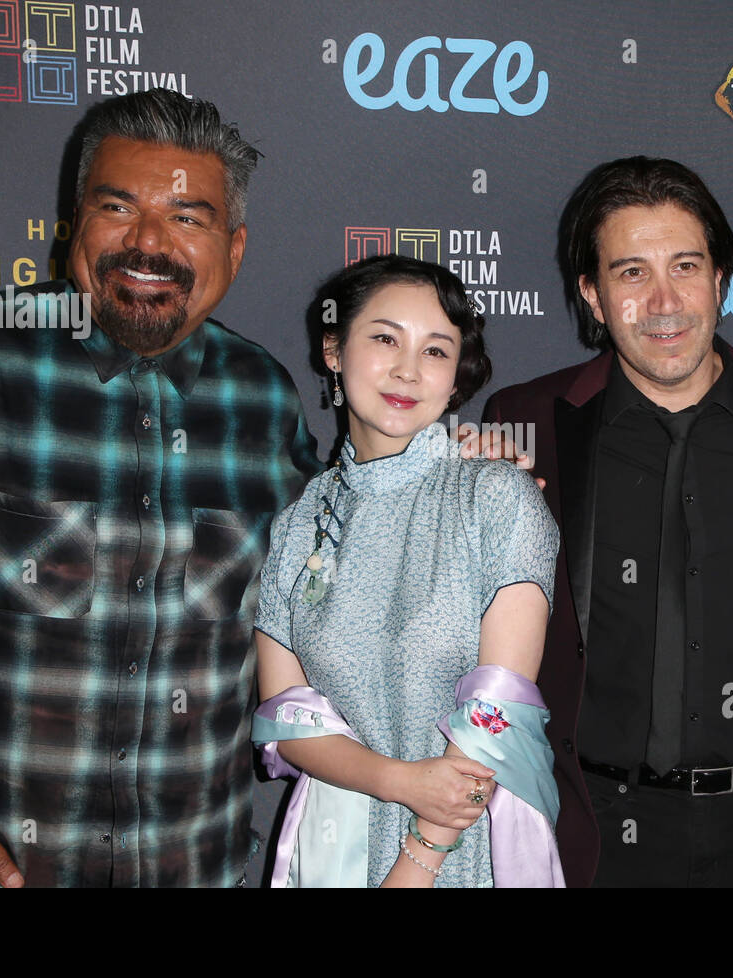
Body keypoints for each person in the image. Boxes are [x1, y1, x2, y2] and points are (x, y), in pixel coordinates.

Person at [0, 89, 321, 886]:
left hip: (198, 867)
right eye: (117, 205)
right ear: (75, 224)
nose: (148, 242)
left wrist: (456, 480)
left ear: (235, 247)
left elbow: (330, 592)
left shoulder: (262, 398)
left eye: (187, 218)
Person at [483, 157, 733, 887]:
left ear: (721, 279)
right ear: (591, 294)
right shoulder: (527, 422)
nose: (665, 301)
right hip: (597, 830)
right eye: (631, 273)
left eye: (686, 265)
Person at [252, 254, 563, 887]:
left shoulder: (497, 497)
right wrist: (400, 781)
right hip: (334, 846)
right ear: (334, 349)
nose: (407, 370)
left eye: (436, 351)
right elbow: (285, 721)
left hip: (466, 849)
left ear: (456, 379)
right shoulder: (298, 524)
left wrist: (416, 865)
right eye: (385, 338)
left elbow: (500, 709)